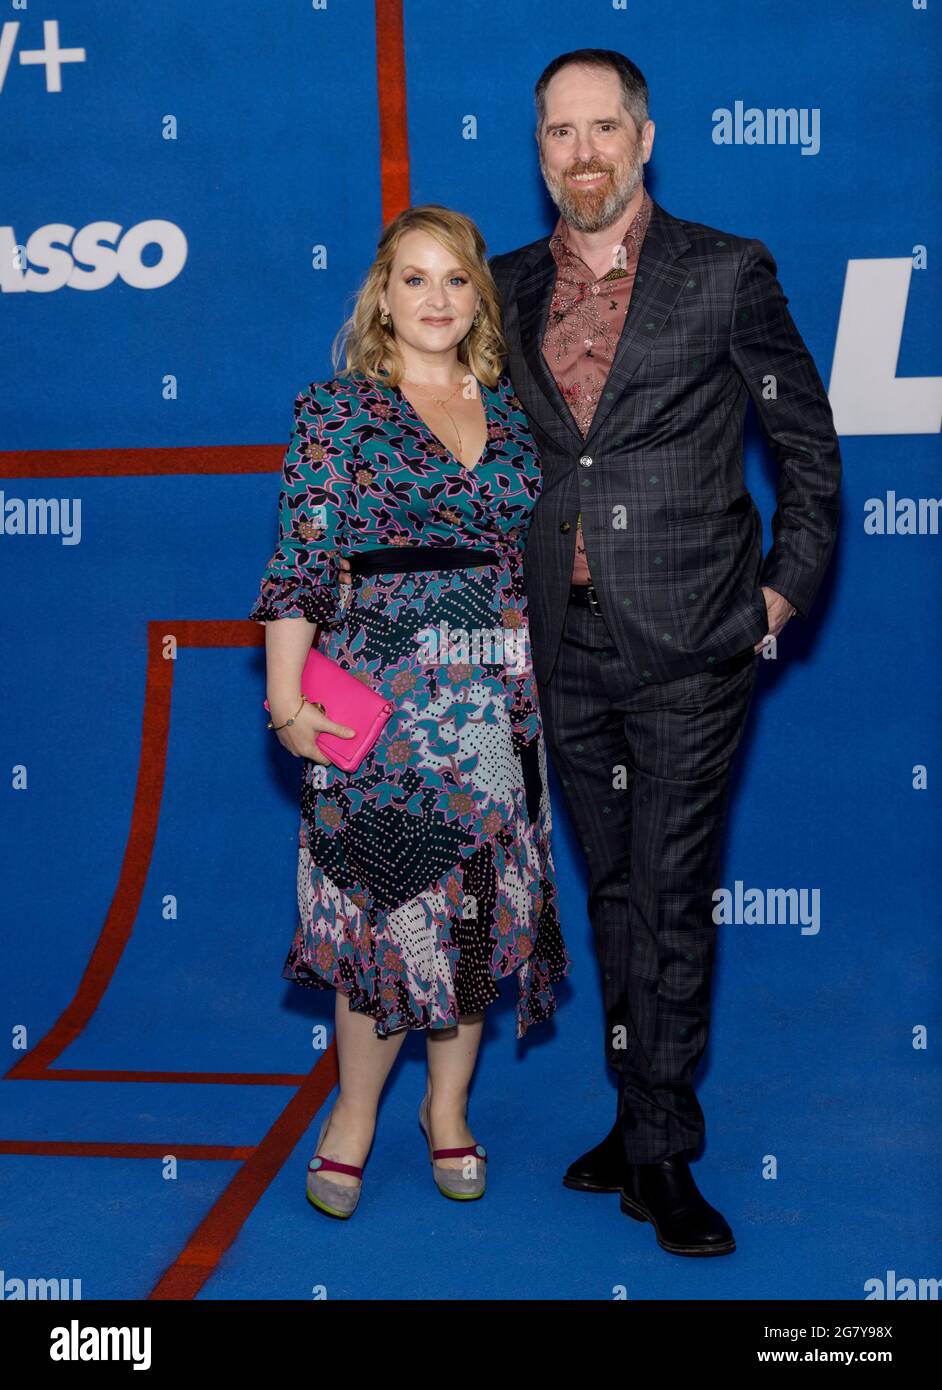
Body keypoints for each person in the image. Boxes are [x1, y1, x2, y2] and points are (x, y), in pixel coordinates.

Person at [482, 49, 840, 1256]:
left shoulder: (727, 271)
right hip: (562, 647)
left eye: (601, 130)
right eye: (556, 134)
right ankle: (634, 1116)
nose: (580, 153)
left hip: (693, 645)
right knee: (619, 891)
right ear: (539, 152)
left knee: (673, 893)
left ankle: (666, 1152)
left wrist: (779, 597)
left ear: (644, 139)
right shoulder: (505, 282)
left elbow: (811, 450)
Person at [248, 205, 571, 1218]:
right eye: (415, 278)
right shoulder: (335, 410)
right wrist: (286, 698)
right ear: (382, 296)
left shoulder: (515, 408)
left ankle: (448, 1110)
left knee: (470, 920)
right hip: (377, 701)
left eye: (456, 279)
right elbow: (302, 562)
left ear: (480, 296)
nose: (437, 298)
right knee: (377, 919)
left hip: (494, 701)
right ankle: (351, 1116)